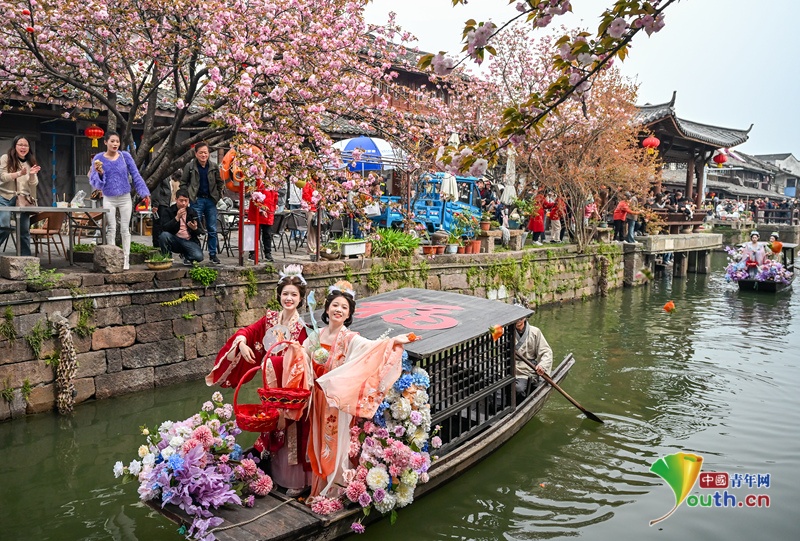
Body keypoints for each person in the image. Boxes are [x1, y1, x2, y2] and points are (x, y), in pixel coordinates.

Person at [286, 281, 413, 498]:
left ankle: (334, 490)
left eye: (344, 307)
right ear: (327, 309)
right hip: (316, 397)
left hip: (337, 399)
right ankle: (318, 487)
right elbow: (301, 356)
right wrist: (292, 349)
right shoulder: (316, 335)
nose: (339, 310)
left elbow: (373, 348)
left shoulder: (351, 338)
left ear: (348, 314)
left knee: (336, 443)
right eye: (335, 305)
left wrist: (394, 341)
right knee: (316, 440)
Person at [206, 265, 310, 494]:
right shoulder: (270, 319)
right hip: (270, 386)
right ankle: (273, 473)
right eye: (285, 293)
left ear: (300, 298)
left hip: (291, 388)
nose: (289, 298)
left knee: (291, 430)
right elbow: (248, 331)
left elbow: (304, 361)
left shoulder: (303, 328)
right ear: (279, 295)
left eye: (294, 294)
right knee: (270, 425)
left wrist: (278, 361)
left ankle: (295, 481)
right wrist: (242, 343)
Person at [89, 131, 151, 270]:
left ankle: (126, 260)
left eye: (117, 141)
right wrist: (100, 173)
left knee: (125, 229)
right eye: (112, 141)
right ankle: (112, 259)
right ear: (105, 142)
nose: (115, 144)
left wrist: (144, 192)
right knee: (111, 228)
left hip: (124, 197)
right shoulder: (99, 158)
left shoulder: (125, 156)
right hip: (108, 197)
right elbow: (95, 182)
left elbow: (135, 174)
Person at [180, 142, 224, 264]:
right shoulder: (190, 166)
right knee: (193, 227)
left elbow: (220, 182)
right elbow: (183, 183)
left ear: (208, 153)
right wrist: (188, 196)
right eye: (201, 153)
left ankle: (213, 254)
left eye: (205, 152)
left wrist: (218, 195)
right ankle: (191, 254)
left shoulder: (214, 166)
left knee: (212, 228)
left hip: (210, 200)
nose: (203, 155)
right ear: (196, 154)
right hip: (196, 200)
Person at [0, 136, 40, 256]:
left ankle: (26, 259)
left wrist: (31, 174)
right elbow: (2, 177)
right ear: (14, 146)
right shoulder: (6, 158)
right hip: (5, 197)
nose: (23, 147)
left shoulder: (30, 162)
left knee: (24, 230)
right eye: (20, 145)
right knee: (4, 226)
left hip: (23, 199)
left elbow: (33, 184)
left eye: (26, 145)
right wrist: (19, 173)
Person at [157, 188, 204, 265]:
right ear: (176, 200)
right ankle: (167, 258)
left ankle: (186, 256)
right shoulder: (169, 211)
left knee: (199, 257)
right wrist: (176, 218)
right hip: (175, 240)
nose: (183, 203)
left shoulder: (192, 212)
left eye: (186, 201)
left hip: (189, 240)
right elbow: (164, 228)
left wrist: (195, 228)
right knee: (164, 236)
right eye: (181, 200)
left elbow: (201, 231)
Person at [513, 316, 553, 400]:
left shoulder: (535, 332)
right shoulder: (505, 331)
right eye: (516, 318)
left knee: (519, 389)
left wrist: (542, 365)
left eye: (520, 318)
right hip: (509, 366)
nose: (518, 320)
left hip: (526, 368)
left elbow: (546, 352)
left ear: (525, 318)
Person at [247, 181, 277, 262]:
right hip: (258, 214)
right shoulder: (259, 184)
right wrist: (261, 210)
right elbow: (255, 199)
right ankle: (252, 253)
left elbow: (275, 198)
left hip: (268, 213)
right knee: (255, 234)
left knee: (267, 235)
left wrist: (274, 207)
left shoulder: (273, 186)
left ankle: (268, 253)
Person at [150, 171, 181, 248]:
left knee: (161, 224)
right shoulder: (162, 174)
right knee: (158, 225)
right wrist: (155, 204)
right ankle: (157, 245)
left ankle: (161, 244)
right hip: (160, 203)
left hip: (165, 203)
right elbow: (156, 189)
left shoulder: (167, 175)